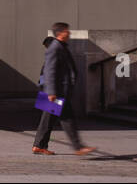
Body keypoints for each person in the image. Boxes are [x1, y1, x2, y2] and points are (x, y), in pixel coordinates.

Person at [32, 22, 96, 156]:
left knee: (48, 120)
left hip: (56, 90)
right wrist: (51, 92)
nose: (69, 33)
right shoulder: (55, 48)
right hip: (56, 91)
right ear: (60, 33)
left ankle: (39, 146)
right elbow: (49, 70)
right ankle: (78, 147)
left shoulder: (60, 46)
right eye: (67, 31)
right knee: (68, 119)